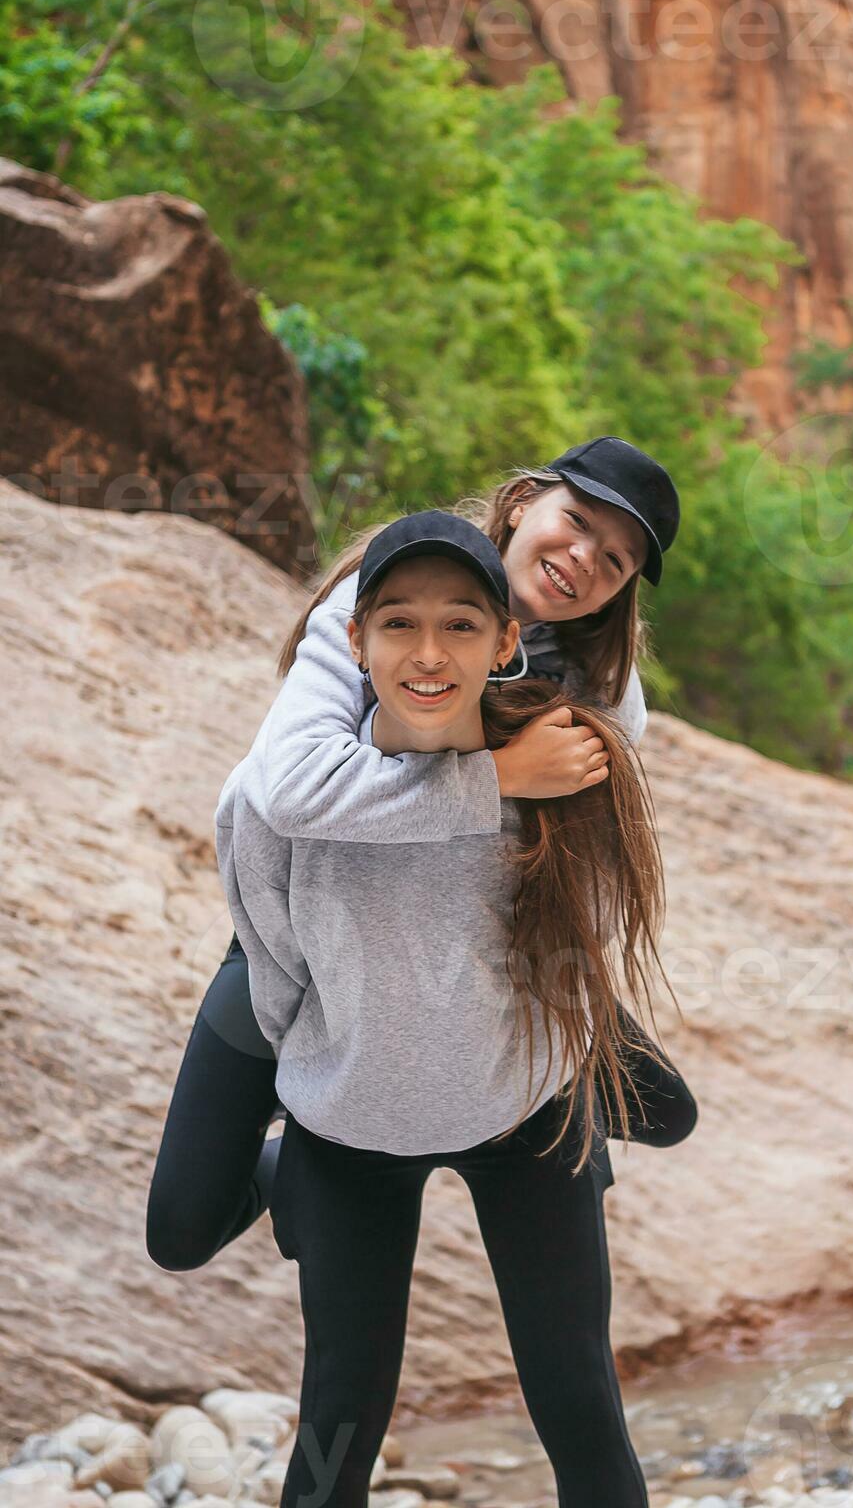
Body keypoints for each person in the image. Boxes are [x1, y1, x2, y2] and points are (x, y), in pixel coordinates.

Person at [146, 438, 697, 1273]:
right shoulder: (375, 599)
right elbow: (291, 789)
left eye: (615, 561)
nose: (583, 559)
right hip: (308, 947)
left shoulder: (603, 686)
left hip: (479, 957)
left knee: (664, 1110)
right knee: (182, 1232)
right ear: (522, 503)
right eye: (575, 521)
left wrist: (559, 989)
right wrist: (498, 777)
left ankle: (537, 1098)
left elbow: (578, 855)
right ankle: (303, 1153)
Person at [217, 509, 665, 1508]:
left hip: (527, 1118)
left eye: (462, 625)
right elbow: (270, 946)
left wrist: (562, 1047)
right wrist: (316, 1068)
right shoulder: (294, 796)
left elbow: (581, 937)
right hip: (352, 1127)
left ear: (505, 639)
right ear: (355, 638)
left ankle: (626, 1078)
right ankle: (278, 1169)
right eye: (399, 626)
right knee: (339, 1416)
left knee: (579, 1400)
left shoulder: (561, 765)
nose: (429, 653)